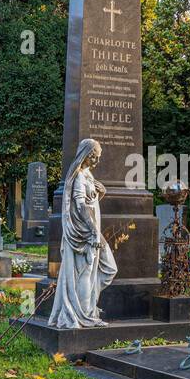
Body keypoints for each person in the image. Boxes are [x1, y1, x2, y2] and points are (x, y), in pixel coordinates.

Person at [49, 138, 118, 328]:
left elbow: (89, 202)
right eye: (93, 157)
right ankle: (85, 315)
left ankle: (87, 309)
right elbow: (80, 206)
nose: (96, 161)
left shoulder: (87, 174)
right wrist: (94, 233)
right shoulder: (79, 176)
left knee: (107, 268)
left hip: (91, 230)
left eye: (98, 157)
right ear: (85, 155)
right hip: (85, 232)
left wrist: (100, 192)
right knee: (86, 273)